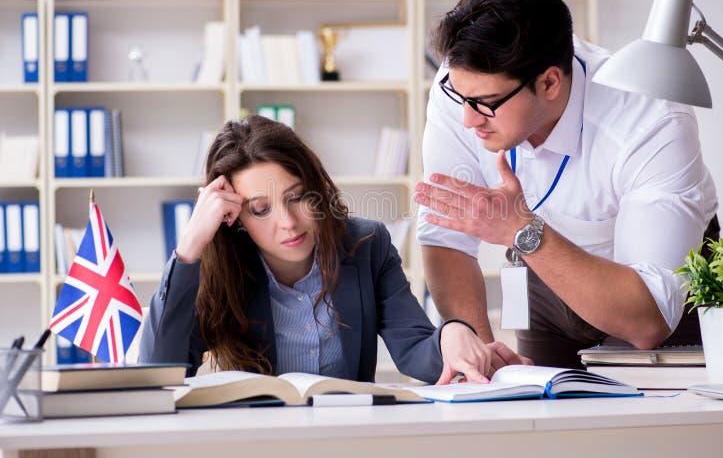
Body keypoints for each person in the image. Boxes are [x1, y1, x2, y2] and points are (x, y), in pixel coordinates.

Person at [414, 0, 720, 369]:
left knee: (644, 419)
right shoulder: (463, 88)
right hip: (541, 267)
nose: (469, 121)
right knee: (539, 411)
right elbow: (446, 237)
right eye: (461, 98)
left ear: (550, 83)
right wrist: (481, 357)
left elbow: (649, 320)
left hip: (647, 290)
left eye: (486, 103)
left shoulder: (651, 121)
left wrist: (520, 229)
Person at [139, 115, 508, 384]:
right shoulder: (217, 268)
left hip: (345, 439)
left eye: (297, 197)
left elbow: (414, 350)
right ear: (234, 217)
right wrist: (189, 247)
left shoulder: (367, 244)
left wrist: (451, 334)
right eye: (261, 209)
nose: (288, 222)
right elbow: (160, 373)